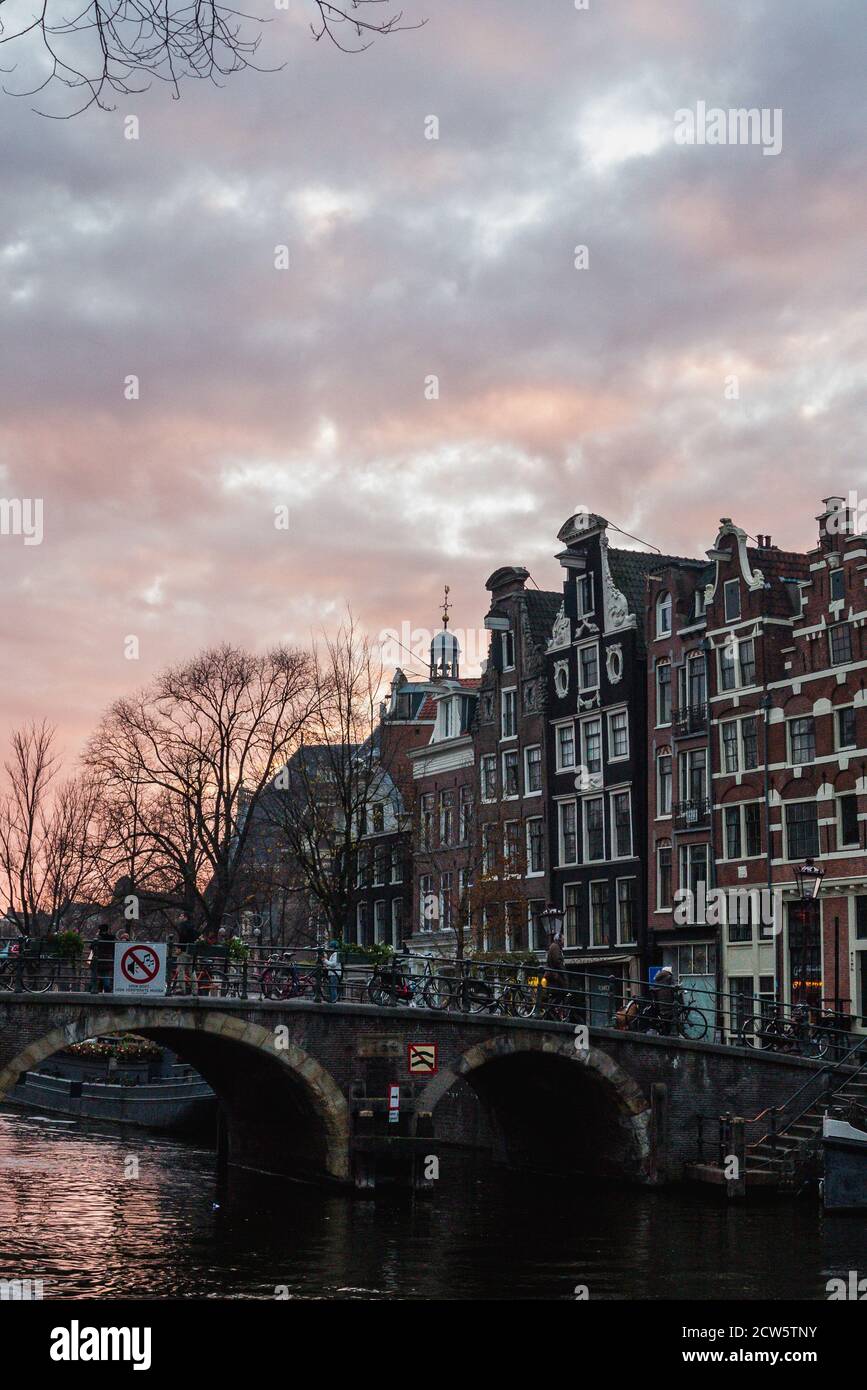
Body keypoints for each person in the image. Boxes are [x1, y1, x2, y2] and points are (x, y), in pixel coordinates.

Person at [89, 922, 116, 994]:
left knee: (94, 977)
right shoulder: (112, 939)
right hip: (107, 961)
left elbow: (91, 947)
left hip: (98, 960)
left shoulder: (97, 938)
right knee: (106, 976)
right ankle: (107, 991)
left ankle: (94, 989)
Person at [652, 966, 677, 1035]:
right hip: (668, 999)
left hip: (660, 1001)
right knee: (672, 1013)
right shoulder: (669, 977)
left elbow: (654, 989)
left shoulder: (657, 979)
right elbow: (674, 986)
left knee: (664, 1016)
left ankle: (664, 1032)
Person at [545, 932, 566, 1013]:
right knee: (561, 992)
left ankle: (551, 1011)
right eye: (563, 939)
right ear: (559, 940)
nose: (564, 941)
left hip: (554, 976)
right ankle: (550, 1010)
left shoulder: (556, 947)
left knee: (558, 993)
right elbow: (557, 961)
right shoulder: (555, 947)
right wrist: (563, 971)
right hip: (554, 976)